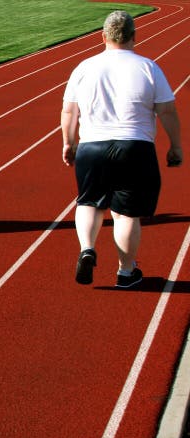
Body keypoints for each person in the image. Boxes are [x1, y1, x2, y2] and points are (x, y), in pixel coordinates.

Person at [61, 10, 183, 288]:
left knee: (89, 202)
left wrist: (68, 143)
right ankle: (126, 272)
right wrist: (175, 146)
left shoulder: (84, 67)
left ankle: (87, 248)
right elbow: (167, 111)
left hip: (92, 146)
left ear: (103, 36)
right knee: (127, 214)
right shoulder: (148, 67)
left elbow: (69, 111)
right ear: (134, 37)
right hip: (135, 146)